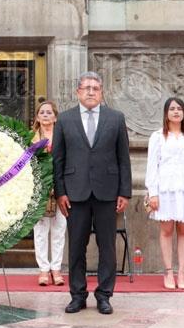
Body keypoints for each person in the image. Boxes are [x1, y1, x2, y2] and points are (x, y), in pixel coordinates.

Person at [52, 72, 132, 315]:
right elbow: (58, 159)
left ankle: (104, 295)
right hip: (75, 194)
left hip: (107, 192)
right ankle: (77, 295)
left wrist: (125, 192)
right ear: (77, 92)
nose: (90, 92)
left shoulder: (115, 118)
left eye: (95, 88)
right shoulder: (64, 120)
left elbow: (123, 159)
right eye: (86, 88)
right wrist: (60, 193)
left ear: (102, 92)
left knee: (107, 246)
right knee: (76, 247)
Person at [145, 97, 184, 290]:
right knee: (166, 230)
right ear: (166, 113)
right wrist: (153, 192)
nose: (176, 112)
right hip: (165, 188)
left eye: (179, 108)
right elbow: (151, 166)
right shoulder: (157, 137)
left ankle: (182, 272)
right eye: (172, 109)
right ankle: (169, 271)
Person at [31, 100, 66, 287]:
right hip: (40, 189)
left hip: (61, 189)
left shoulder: (63, 136)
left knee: (59, 229)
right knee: (41, 230)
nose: (45, 115)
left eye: (49, 112)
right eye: (42, 112)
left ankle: (57, 269)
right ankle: (43, 270)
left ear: (55, 116)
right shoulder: (31, 138)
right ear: (37, 117)